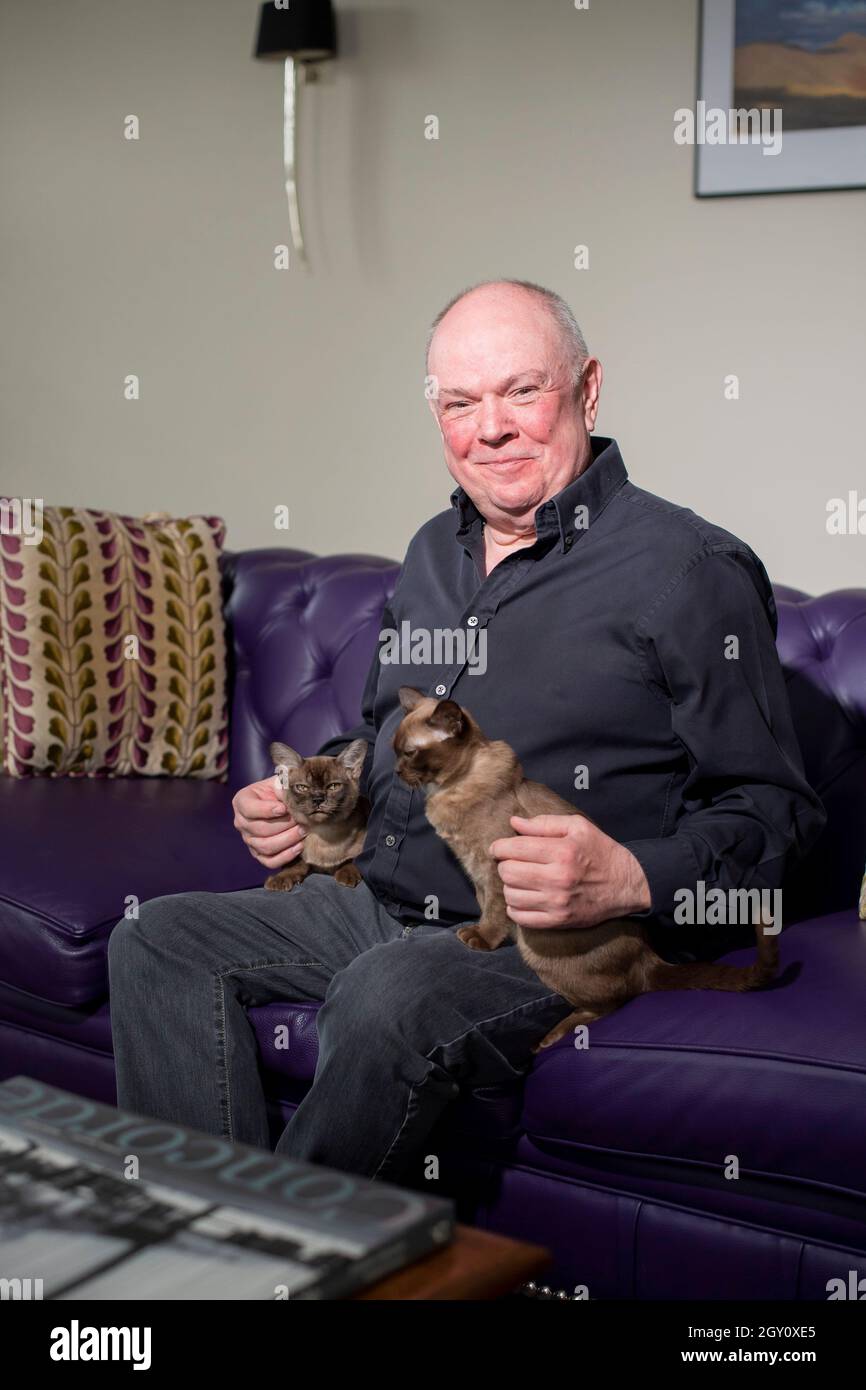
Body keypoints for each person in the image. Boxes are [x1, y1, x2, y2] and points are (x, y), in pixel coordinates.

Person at [108, 279, 825, 1183]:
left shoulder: (690, 573)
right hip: (378, 902)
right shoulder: (428, 554)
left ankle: (283, 1267)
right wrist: (311, 798)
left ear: (588, 389)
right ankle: (197, 1243)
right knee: (153, 939)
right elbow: (375, 731)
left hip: (539, 938)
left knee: (384, 995)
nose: (491, 428)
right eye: (460, 402)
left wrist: (631, 875)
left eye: (522, 391)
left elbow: (778, 817)